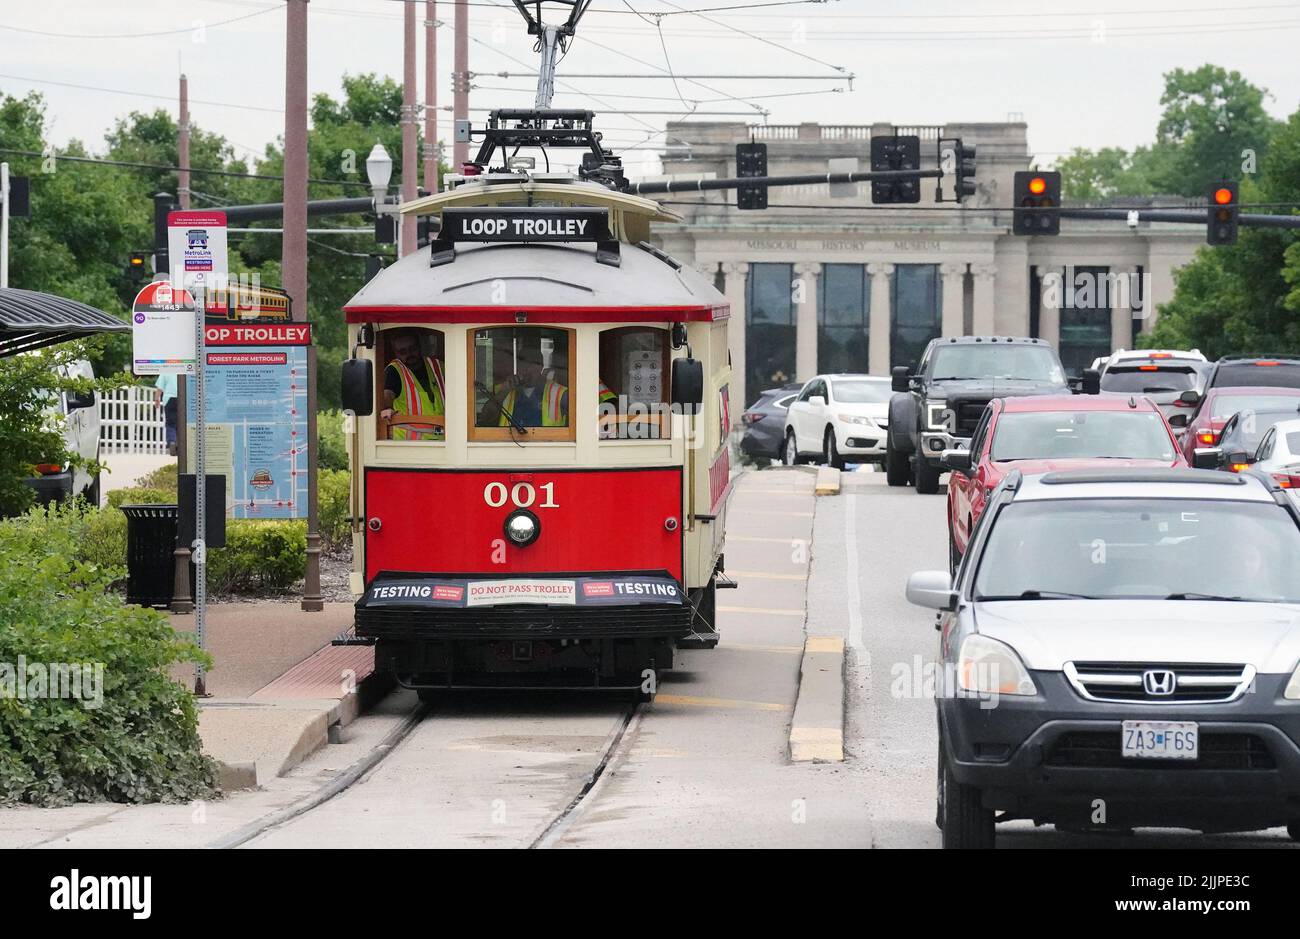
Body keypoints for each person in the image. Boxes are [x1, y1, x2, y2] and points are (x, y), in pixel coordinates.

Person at [381, 330, 445, 440]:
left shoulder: (437, 365)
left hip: (443, 441)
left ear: (420, 347)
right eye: (403, 351)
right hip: (410, 446)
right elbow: (387, 394)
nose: (409, 354)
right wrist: (387, 408)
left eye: (412, 349)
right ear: (396, 353)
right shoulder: (394, 370)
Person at [498, 348, 568, 428]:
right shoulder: (505, 389)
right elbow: (485, 420)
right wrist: (503, 391)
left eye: (531, 364)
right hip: (508, 440)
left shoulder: (559, 393)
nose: (526, 369)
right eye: (522, 363)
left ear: (541, 367)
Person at [153, 373, 177, 456]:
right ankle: (180, 444)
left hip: (169, 399)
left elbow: (160, 387)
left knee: (170, 423)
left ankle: (172, 441)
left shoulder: (166, 369)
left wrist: (156, 399)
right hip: (183, 398)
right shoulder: (184, 368)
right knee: (182, 423)